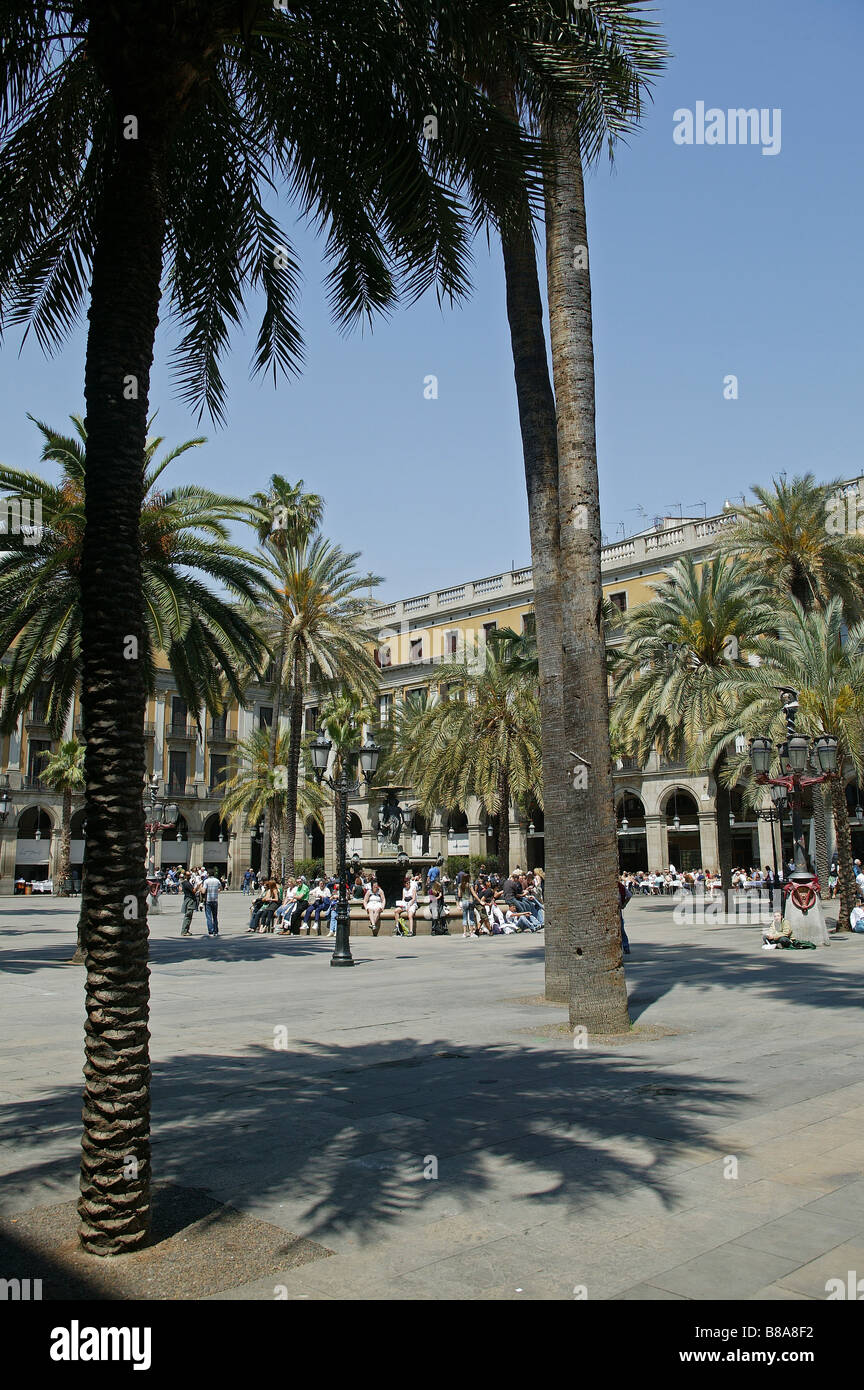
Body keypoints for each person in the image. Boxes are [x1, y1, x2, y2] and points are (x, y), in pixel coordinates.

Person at [202, 868, 222, 937]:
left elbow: (203, 891)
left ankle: (210, 931)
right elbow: (220, 888)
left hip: (208, 900)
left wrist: (200, 888)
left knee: (209, 917)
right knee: (215, 916)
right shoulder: (217, 880)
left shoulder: (206, 881)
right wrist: (217, 890)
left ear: (208, 874)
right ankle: (216, 931)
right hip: (215, 900)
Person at [179, 869, 197, 937]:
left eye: (190, 875)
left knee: (189, 916)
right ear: (185, 876)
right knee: (188, 915)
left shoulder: (185, 882)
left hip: (188, 899)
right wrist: (198, 886)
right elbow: (193, 891)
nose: (190, 876)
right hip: (190, 900)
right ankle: (184, 931)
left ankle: (186, 930)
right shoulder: (187, 883)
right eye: (188, 875)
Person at [618, 875, 631, 956]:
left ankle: (625, 947)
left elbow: (629, 895)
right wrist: (624, 904)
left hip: (615, 909)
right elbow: (629, 895)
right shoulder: (620, 886)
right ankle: (626, 947)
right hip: (618, 909)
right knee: (621, 929)